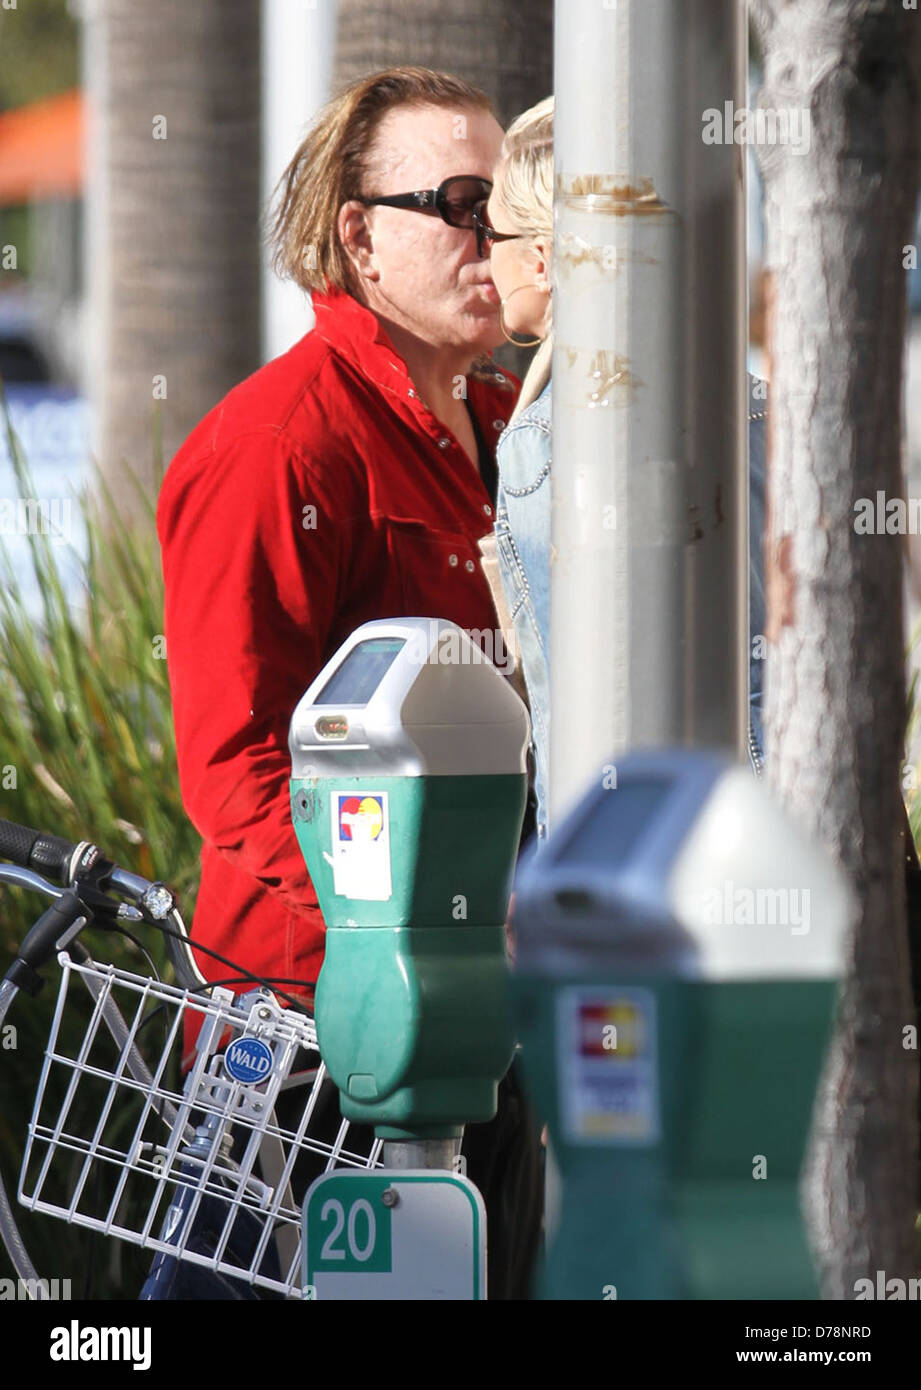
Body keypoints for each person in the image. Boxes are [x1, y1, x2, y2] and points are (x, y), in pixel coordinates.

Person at [153, 66, 542, 1300]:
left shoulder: (513, 433)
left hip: (477, 1023)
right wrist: (402, 943)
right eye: (463, 204)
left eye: (511, 205)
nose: (496, 236)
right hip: (307, 1032)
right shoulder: (281, 445)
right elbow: (234, 769)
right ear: (359, 236)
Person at [475, 97, 768, 841]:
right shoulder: (751, 400)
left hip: (652, 847)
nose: (483, 258)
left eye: (491, 233)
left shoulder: (549, 437)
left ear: (541, 260)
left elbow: (583, 713)